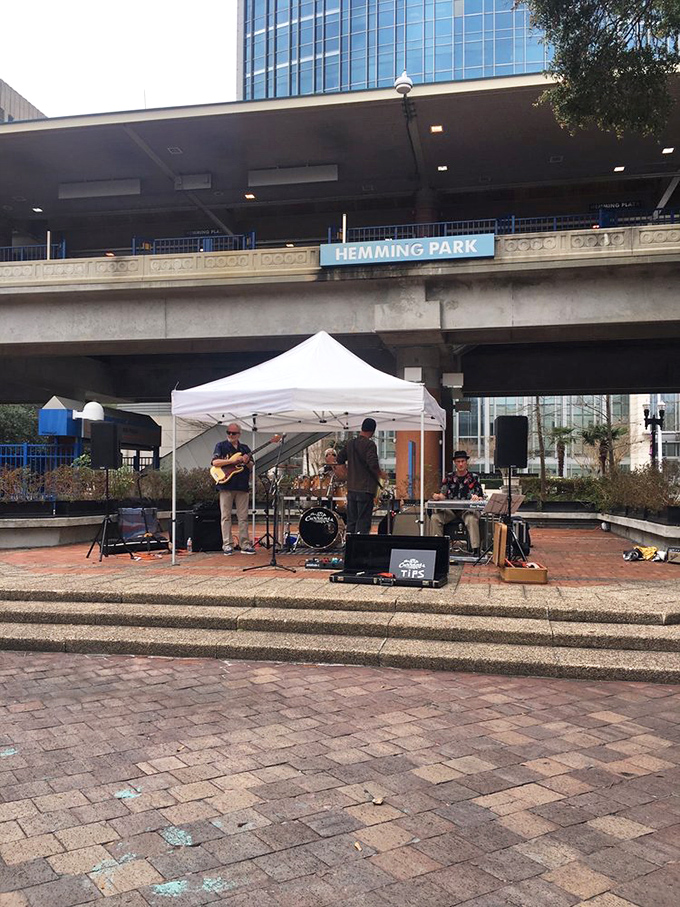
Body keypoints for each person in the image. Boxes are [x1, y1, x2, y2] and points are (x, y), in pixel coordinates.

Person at [211, 423, 256, 555]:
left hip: (242, 485)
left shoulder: (245, 448)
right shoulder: (221, 446)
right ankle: (227, 544)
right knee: (226, 516)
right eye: (228, 432)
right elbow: (215, 462)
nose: (230, 435)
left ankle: (245, 544)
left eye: (233, 433)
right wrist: (232, 461)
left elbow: (251, 466)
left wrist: (246, 461)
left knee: (243, 517)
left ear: (239, 434)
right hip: (226, 485)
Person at [336, 418, 386, 535]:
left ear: (362, 428)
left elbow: (339, 459)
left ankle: (349, 548)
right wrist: (381, 474)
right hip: (365, 489)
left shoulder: (351, 443)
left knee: (351, 521)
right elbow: (372, 463)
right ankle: (360, 548)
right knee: (363, 522)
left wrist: (346, 472)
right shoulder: (370, 445)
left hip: (352, 488)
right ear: (372, 431)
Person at [430, 450, 484, 555]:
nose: (460, 464)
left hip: (467, 511)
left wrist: (477, 498)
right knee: (435, 518)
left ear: (466, 462)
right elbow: (443, 494)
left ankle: (476, 550)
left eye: (463, 461)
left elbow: (480, 497)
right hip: (451, 511)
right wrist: (437, 496)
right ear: (455, 462)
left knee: (472, 519)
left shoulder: (474, 477)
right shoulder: (449, 477)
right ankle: (438, 549)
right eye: (458, 461)